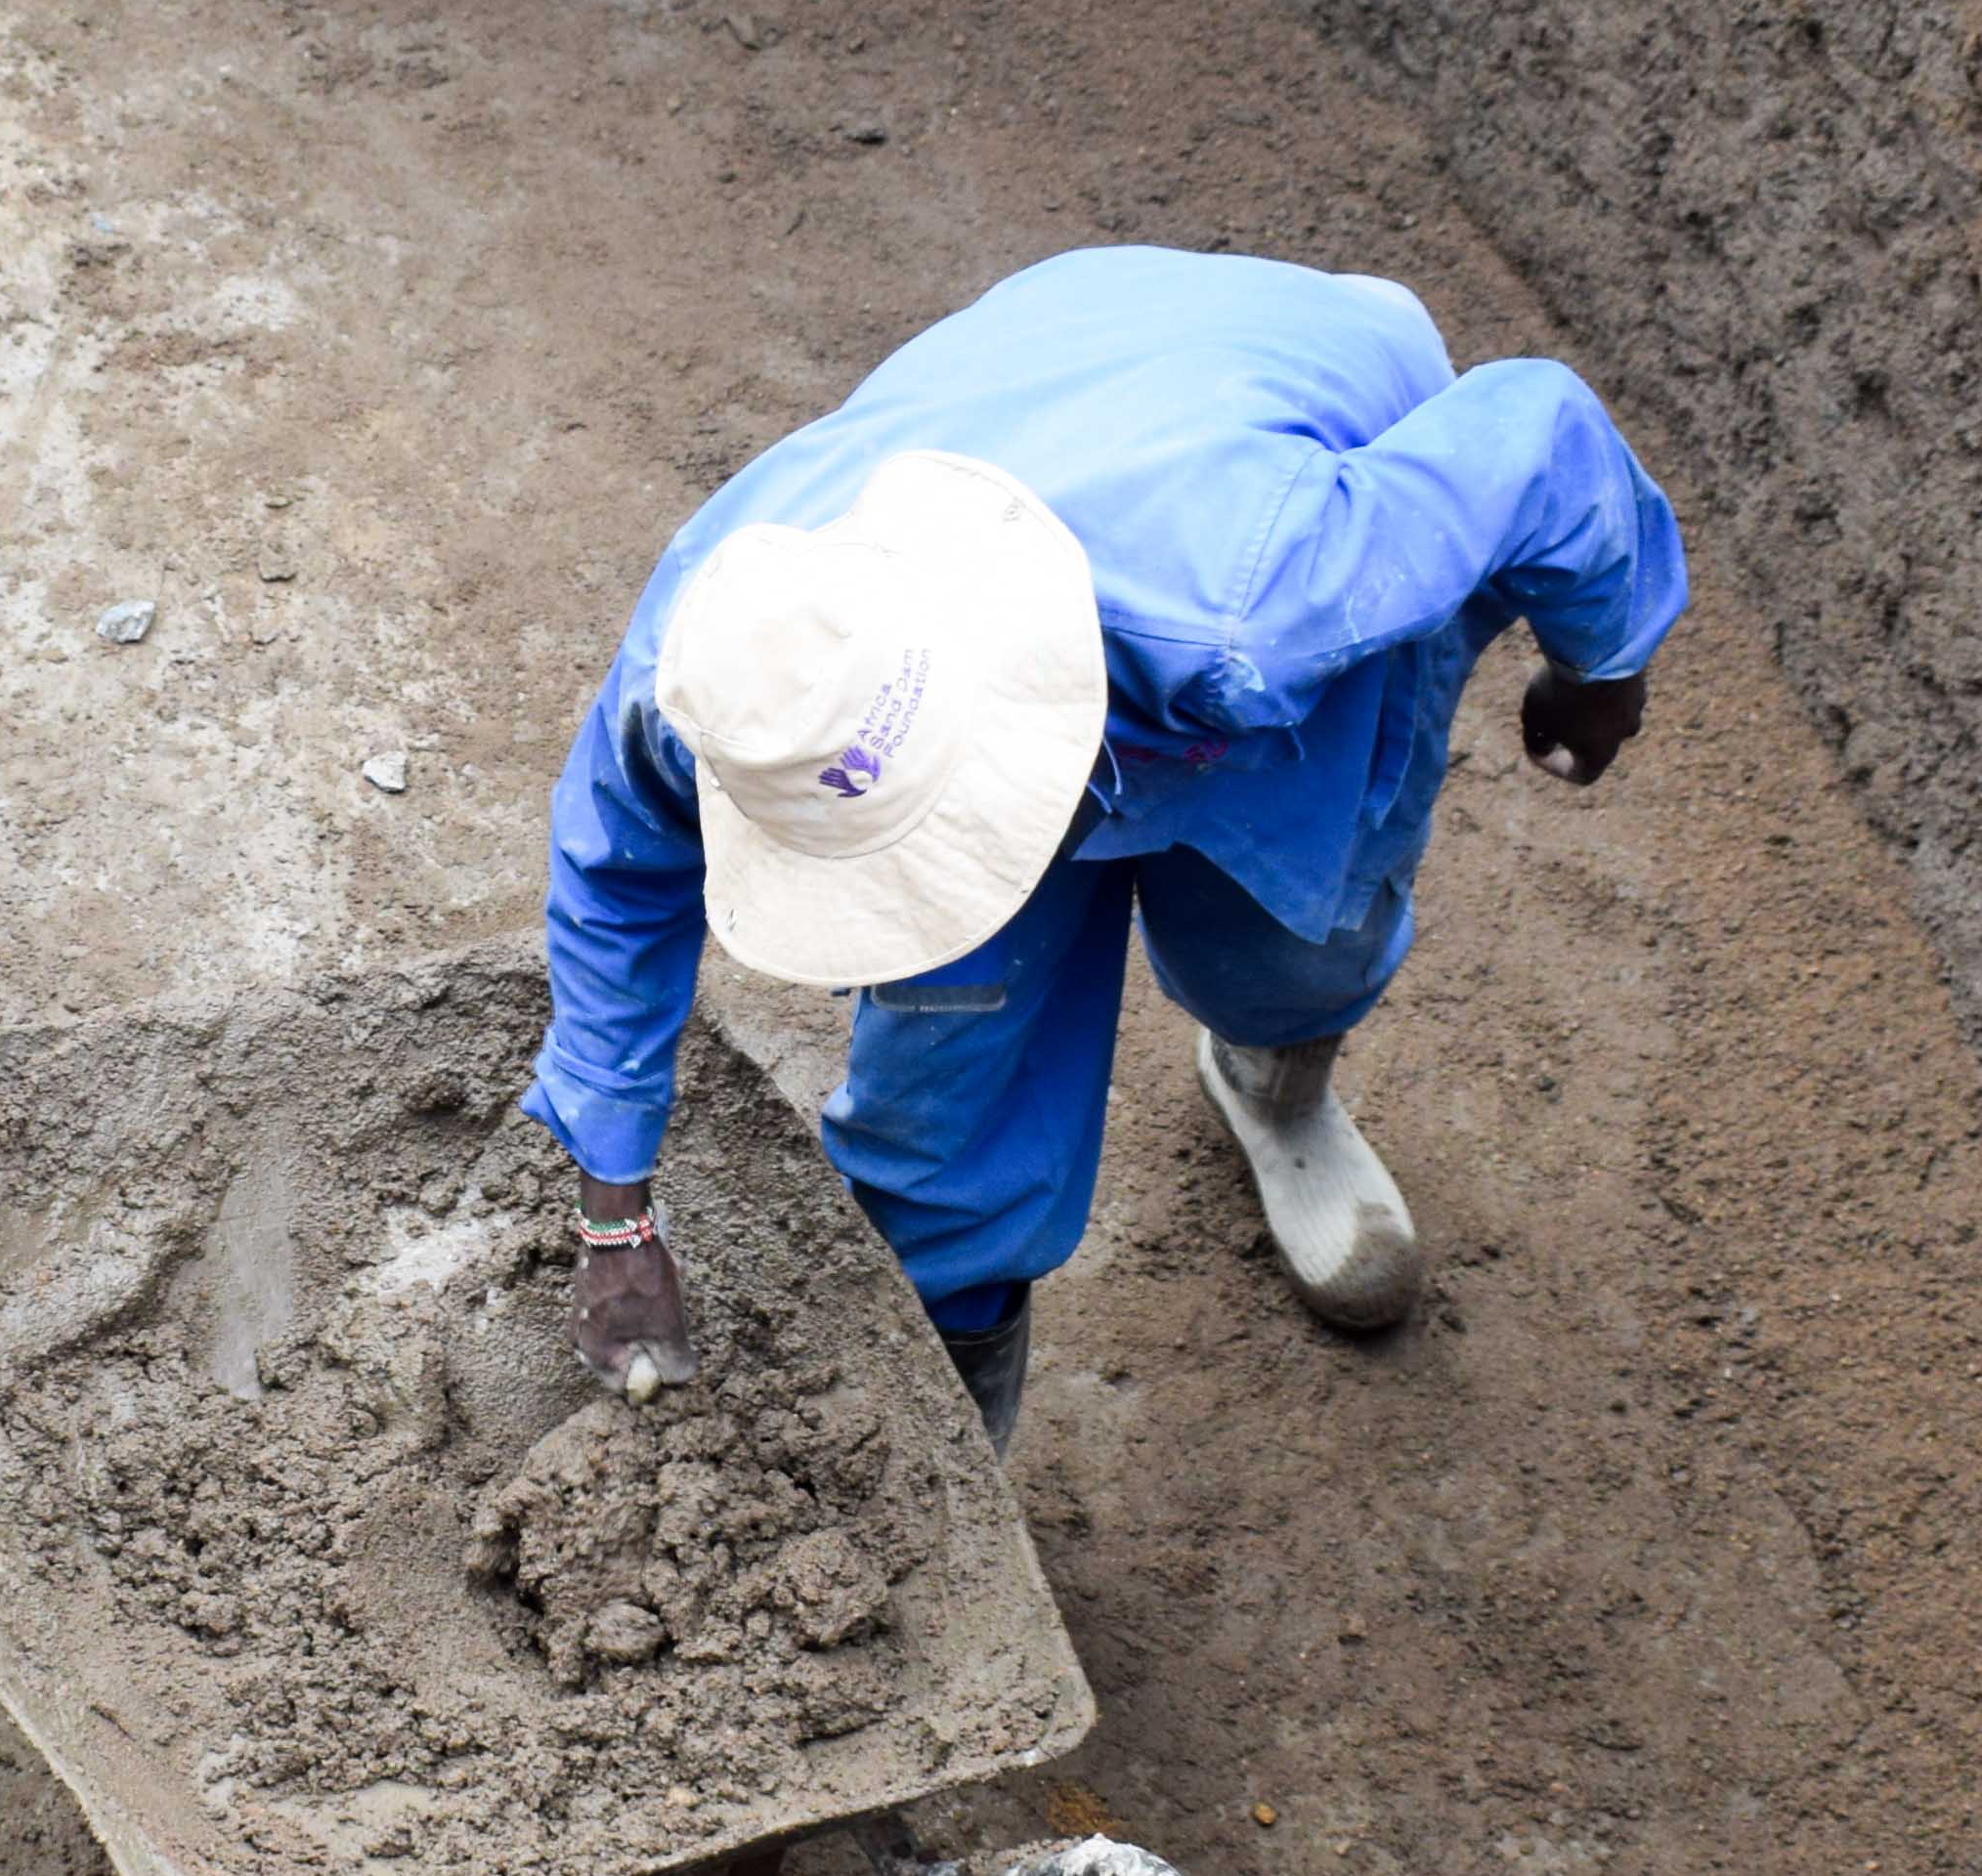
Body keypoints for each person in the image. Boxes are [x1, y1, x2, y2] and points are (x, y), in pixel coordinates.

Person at [530, 247, 1685, 1446]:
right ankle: (959, 1466)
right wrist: (615, 1216)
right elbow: (614, 880)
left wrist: (1603, 660)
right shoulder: (728, 675)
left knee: (1294, 943)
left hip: (1259, 475)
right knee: (946, 1087)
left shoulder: (1269, 598)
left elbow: (1541, 429)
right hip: (1057, 423)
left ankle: (1272, 1085)